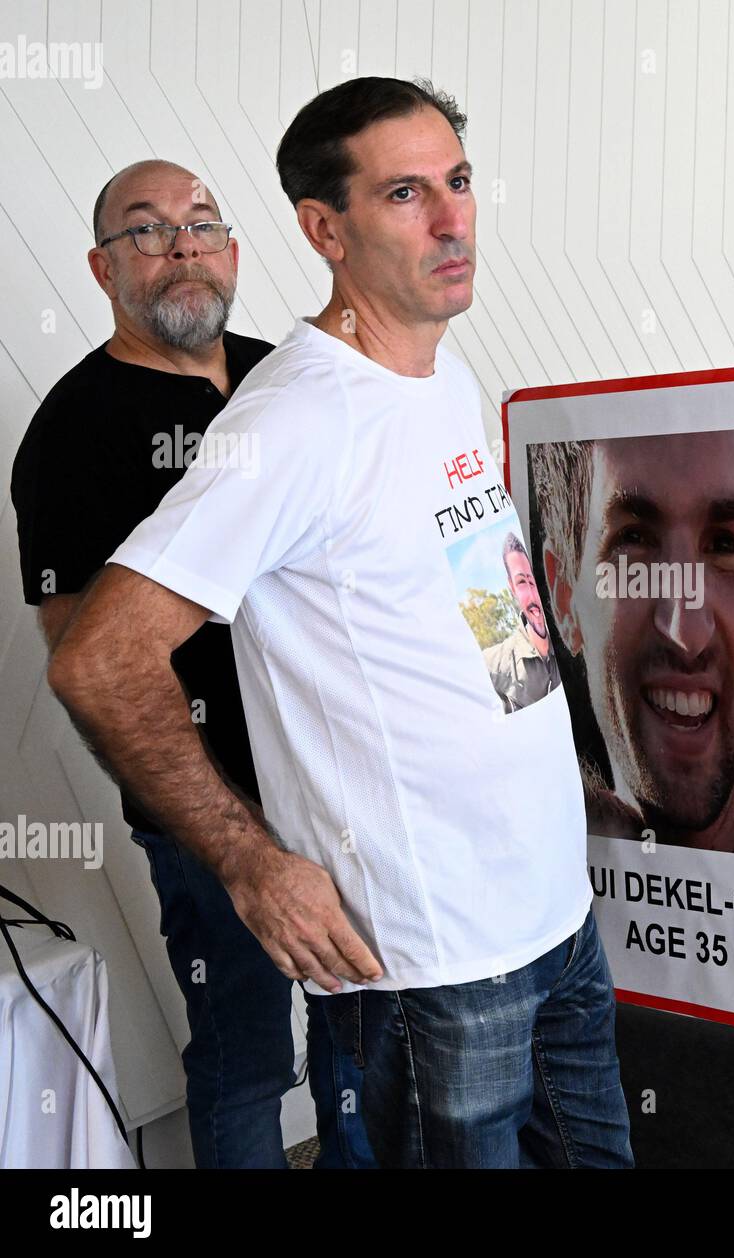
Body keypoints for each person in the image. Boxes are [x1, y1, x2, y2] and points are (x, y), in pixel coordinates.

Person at [45, 78, 632, 1169]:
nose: (453, 218)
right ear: (324, 229)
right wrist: (253, 862)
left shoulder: (437, 372)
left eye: (457, 182)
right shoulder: (294, 418)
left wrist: (555, 771)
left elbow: (482, 614)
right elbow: (99, 656)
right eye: (406, 193)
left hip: (549, 918)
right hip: (428, 959)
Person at [9, 159, 373, 1168]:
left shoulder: (290, 381)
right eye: (146, 229)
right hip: (213, 818)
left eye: (202, 224)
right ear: (100, 267)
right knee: (245, 1055)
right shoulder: (72, 433)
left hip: (343, 788)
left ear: (234, 253)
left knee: (362, 1044)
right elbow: (88, 664)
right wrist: (220, 832)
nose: (181, 246)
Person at [532, 428, 734, 860]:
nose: (686, 634)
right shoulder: (527, 890)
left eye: (724, 546)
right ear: (564, 596)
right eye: (633, 540)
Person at [482, 532, 561, 712]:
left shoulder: (572, 640)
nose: (534, 595)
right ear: (512, 587)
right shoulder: (494, 665)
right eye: (522, 582)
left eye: (534, 581)